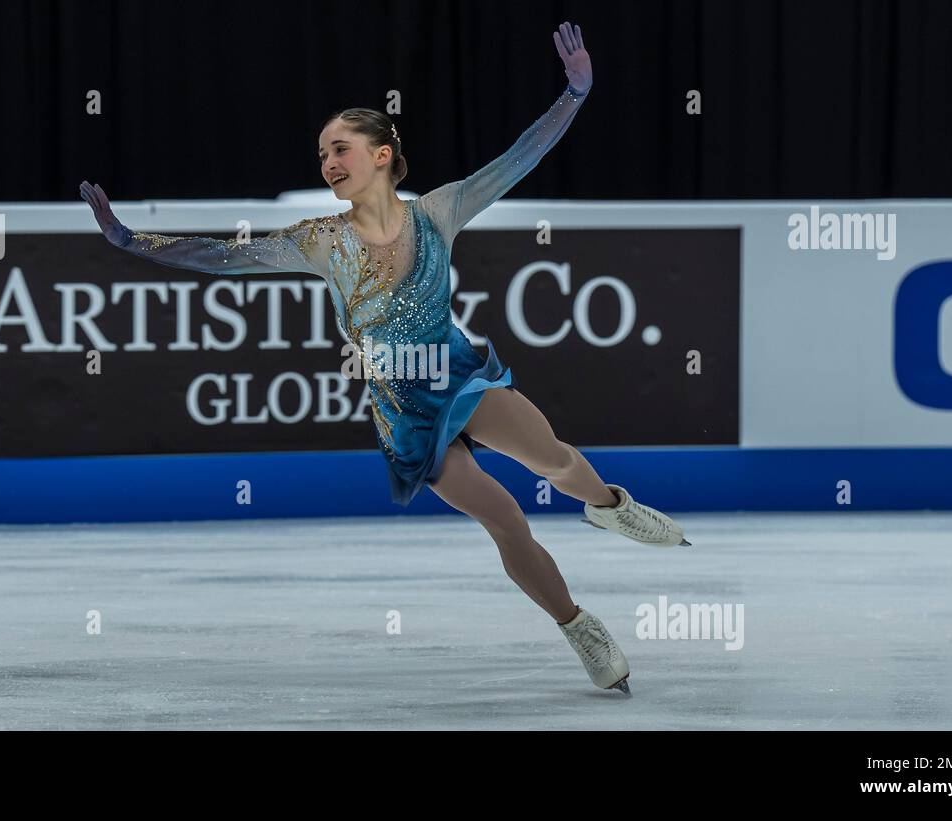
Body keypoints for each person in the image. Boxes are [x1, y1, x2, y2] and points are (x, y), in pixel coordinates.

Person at [81, 22, 690, 693]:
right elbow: (226, 259)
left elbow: (518, 159)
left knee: (551, 459)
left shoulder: (438, 211)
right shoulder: (317, 240)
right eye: (321, 154)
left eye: (340, 148)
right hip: (403, 410)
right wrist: (130, 238)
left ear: (381, 153)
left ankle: (607, 504)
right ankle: (580, 627)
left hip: (459, 378)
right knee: (505, 518)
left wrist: (574, 94)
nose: (328, 161)